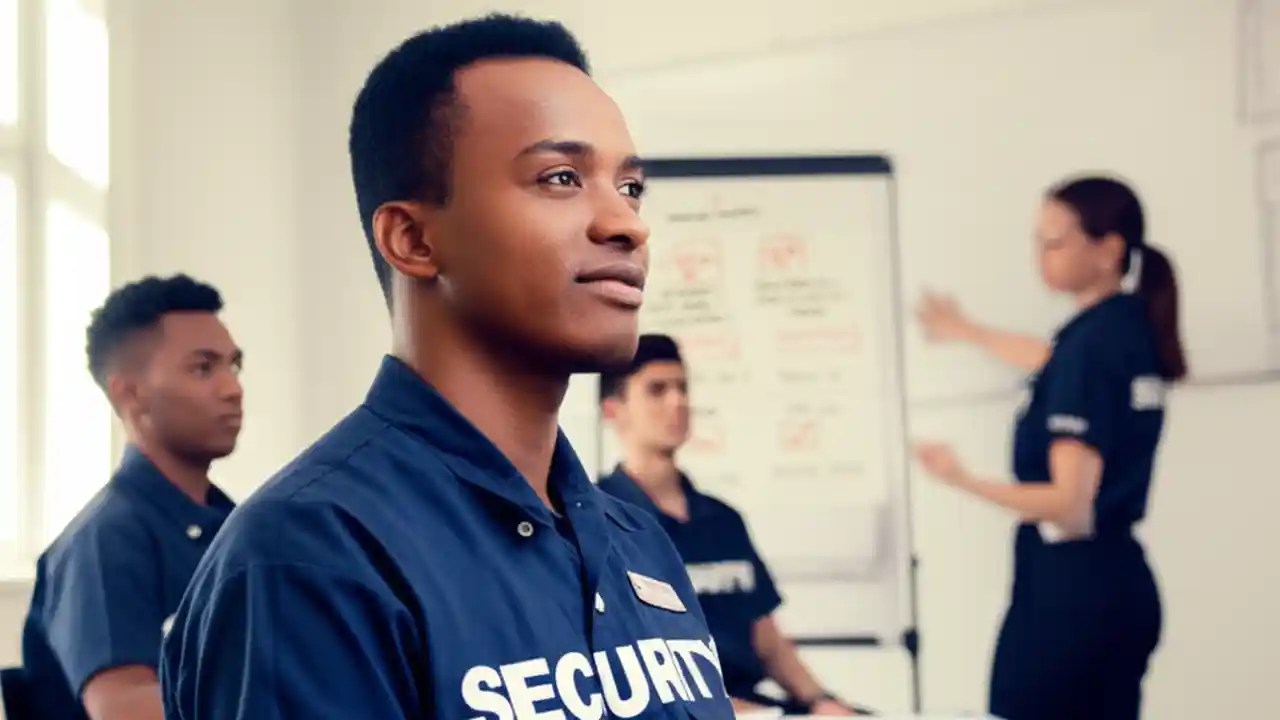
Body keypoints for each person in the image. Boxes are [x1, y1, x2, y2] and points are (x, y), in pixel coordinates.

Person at [160, 15, 735, 720]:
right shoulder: (310, 557)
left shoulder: (636, 538)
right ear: (412, 238)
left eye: (632, 187)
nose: (627, 224)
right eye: (560, 177)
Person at [913, 175, 1182, 720]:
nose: (1039, 256)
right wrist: (970, 332)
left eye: (1054, 243)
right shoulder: (1125, 328)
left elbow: (1070, 505)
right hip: (1118, 587)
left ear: (1107, 250)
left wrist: (961, 478)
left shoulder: (1089, 348)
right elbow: (1050, 359)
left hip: (1071, 597)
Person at [598, 334, 863, 717]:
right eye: (657, 390)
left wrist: (821, 700)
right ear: (613, 411)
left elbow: (766, 639)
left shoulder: (723, 519)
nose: (678, 401)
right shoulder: (595, 519)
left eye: (683, 387)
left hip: (753, 708)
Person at [21, 274, 243, 720]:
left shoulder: (234, 527)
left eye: (233, 366)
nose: (232, 388)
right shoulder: (105, 542)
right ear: (130, 391)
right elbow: (127, 712)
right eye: (203, 367)